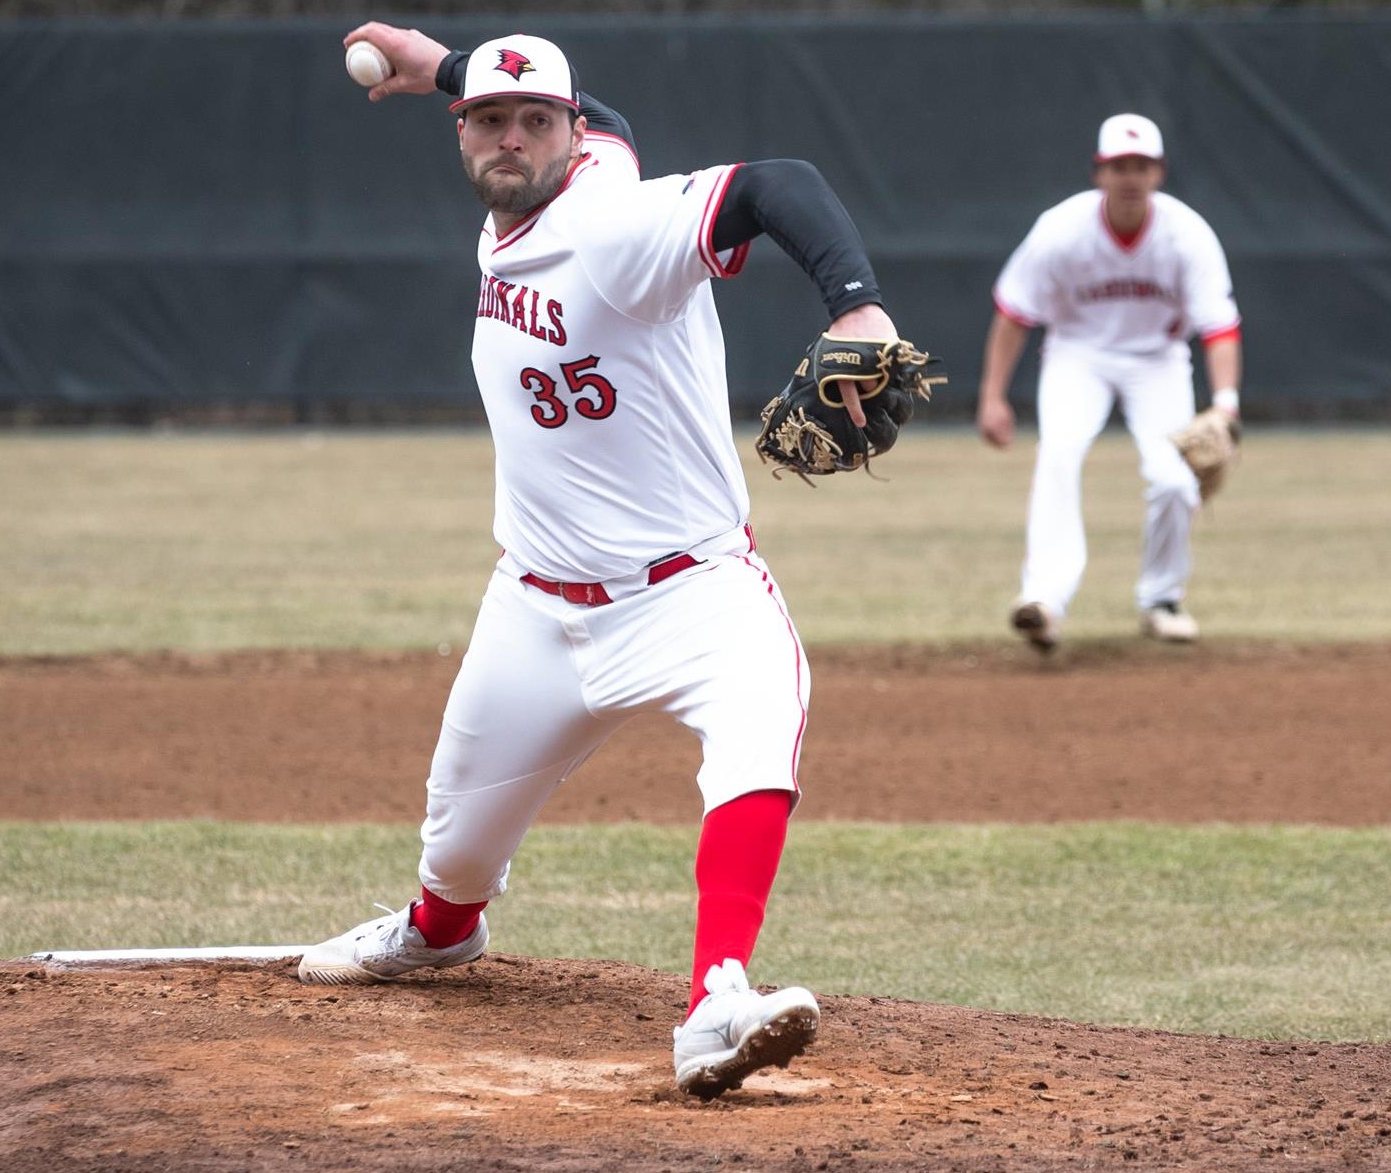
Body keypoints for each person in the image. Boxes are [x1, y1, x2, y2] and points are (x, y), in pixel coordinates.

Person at [301, 23, 904, 1100]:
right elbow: (560, 116)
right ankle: (439, 935)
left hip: (694, 592)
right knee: (455, 856)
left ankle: (717, 999)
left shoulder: (620, 225)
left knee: (757, 739)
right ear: (461, 130)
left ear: (571, 136)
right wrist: (440, 60)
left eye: (537, 122)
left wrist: (854, 302)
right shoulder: (576, 165)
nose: (512, 141)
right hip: (532, 610)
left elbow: (779, 182)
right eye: (489, 119)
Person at [977, 113, 1243, 649]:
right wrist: (992, 396)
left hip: (1158, 361)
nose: (1130, 176)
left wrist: (1226, 405)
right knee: (1059, 455)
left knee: (1174, 477)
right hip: (1079, 356)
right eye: (1119, 165)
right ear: (1099, 171)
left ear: (1158, 172)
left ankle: (1162, 599)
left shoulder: (1186, 234)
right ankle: (1044, 600)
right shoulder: (1061, 230)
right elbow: (1013, 314)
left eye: (1140, 165)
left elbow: (1220, 326)